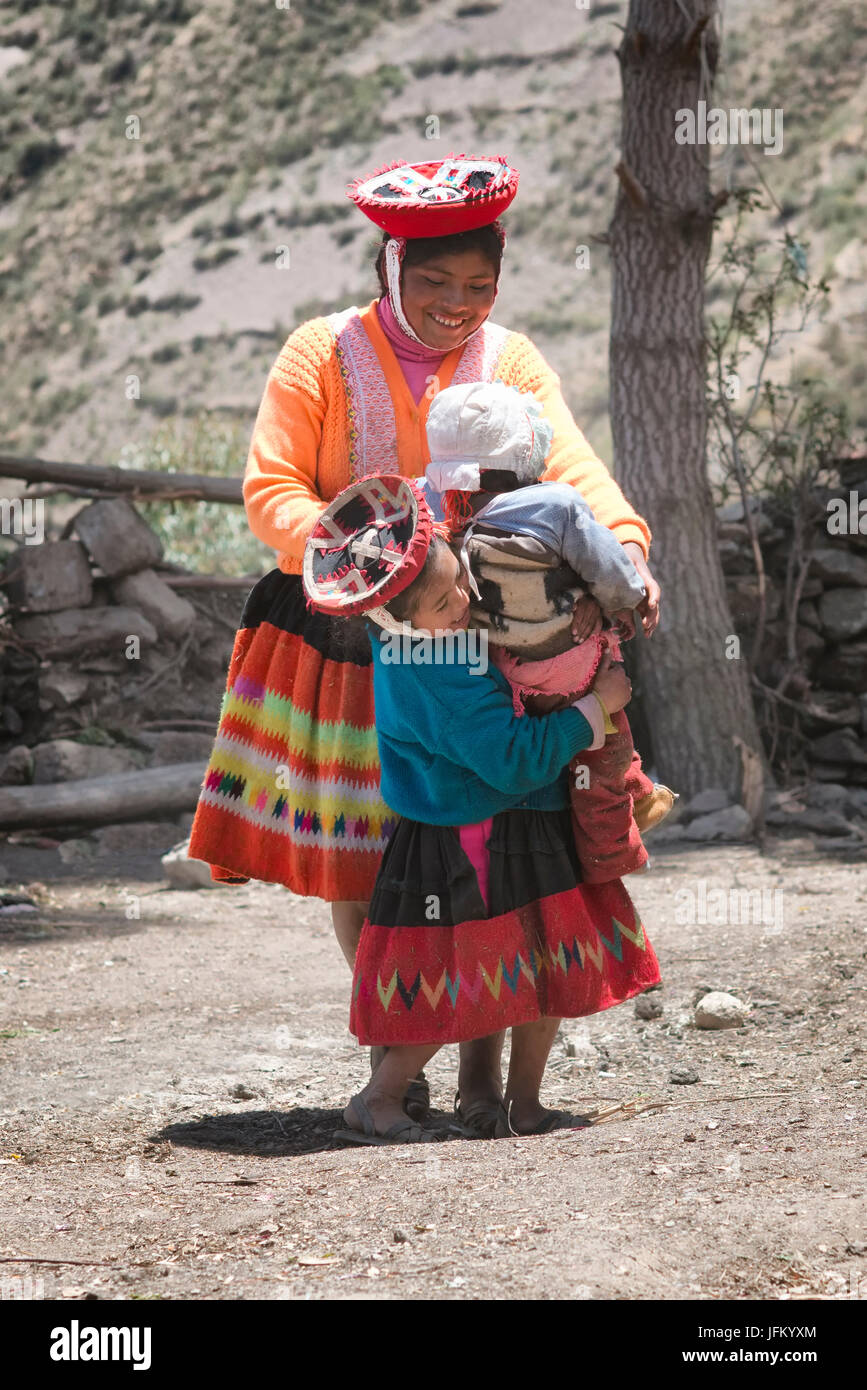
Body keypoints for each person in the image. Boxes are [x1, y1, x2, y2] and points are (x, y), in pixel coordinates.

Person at [186, 152, 661, 1124]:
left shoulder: (514, 364)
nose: (459, 304)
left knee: (484, 852)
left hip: (485, 644)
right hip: (346, 638)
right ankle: (411, 1050)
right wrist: (360, 565)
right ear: (388, 268)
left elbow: (571, 467)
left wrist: (624, 550)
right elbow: (272, 486)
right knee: (378, 860)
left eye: (479, 286)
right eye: (435, 282)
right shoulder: (319, 355)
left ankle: (474, 1072)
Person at [302, 473, 662, 1143]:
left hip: (520, 816)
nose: (468, 601)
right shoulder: (431, 671)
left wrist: (576, 600)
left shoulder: (440, 628)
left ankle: (521, 1106)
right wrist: (594, 710)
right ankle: (377, 1100)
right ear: (396, 623)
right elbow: (507, 757)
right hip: (464, 831)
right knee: (461, 976)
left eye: (459, 579)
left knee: (543, 960)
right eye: (445, 601)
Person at [422, 379, 677, 883]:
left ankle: (631, 797)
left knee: (568, 745)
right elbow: (614, 574)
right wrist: (615, 606)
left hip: (509, 679)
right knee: (606, 739)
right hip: (574, 663)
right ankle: (611, 847)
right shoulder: (557, 505)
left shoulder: (444, 528)